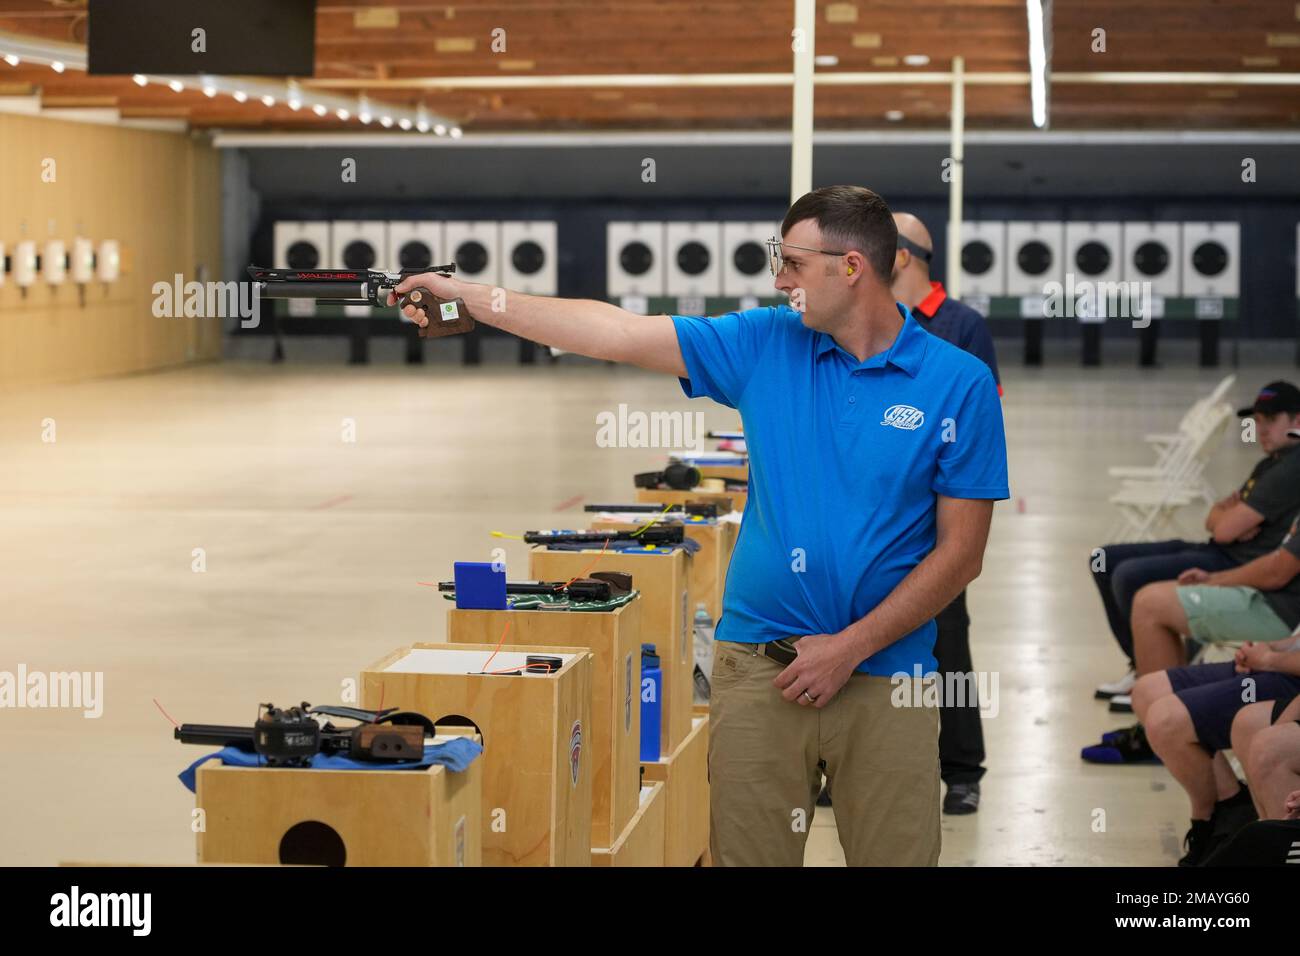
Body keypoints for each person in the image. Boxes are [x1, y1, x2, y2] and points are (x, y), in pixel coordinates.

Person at [391, 185, 1010, 865]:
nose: (780, 281)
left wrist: (849, 647)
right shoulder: (766, 341)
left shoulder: (959, 383)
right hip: (758, 669)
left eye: (794, 265)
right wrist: (471, 297)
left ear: (852, 268)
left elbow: (961, 555)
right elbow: (615, 332)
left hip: (888, 676)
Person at [1087, 381, 1300, 725]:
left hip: (1235, 563)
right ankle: (1144, 670)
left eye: (1269, 420)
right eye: (1256, 420)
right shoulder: (1271, 462)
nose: (1259, 429)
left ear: (1297, 421)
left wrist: (1225, 529)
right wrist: (1225, 518)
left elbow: (1230, 529)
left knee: (1129, 578)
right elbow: (1215, 519)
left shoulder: (1290, 467)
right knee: (1105, 560)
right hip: (1221, 552)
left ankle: (1155, 688)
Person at [886, 211, 1001, 815]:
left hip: (939, 521)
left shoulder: (962, 325)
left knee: (947, 646)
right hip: (880, 518)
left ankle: (961, 771)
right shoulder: (870, 322)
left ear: (901, 256)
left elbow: (982, 420)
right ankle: (835, 767)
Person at [1119, 515, 1300, 862]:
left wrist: (1271, 659)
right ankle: (1225, 812)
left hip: (1280, 650)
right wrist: (1274, 649)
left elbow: (1270, 563)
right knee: (1146, 692)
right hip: (1278, 641)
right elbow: (1218, 521)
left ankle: (1221, 822)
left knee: (1167, 720)